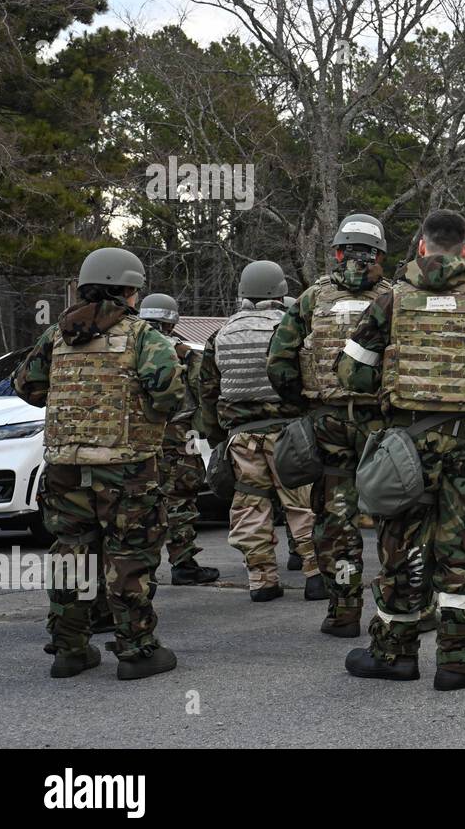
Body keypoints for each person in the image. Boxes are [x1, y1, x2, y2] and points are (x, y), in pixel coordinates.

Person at [336, 209, 465, 688]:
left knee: (400, 547)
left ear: (422, 247)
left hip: (405, 450)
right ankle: (459, 661)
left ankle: (394, 655)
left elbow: (351, 374)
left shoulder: (390, 301)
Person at [13, 248, 181, 679]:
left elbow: (27, 387)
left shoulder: (57, 335)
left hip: (65, 468)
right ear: (126, 289)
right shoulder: (144, 335)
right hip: (126, 468)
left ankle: (69, 650)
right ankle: (137, 651)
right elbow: (169, 393)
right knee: (129, 556)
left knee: (71, 555)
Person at [267, 214, 393, 637]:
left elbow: (280, 363)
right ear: (380, 256)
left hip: (329, 423)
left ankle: (343, 612)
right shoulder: (396, 299)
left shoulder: (310, 299)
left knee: (337, 520)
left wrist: (305, 406)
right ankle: (401, 610)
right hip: (384, 427)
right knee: (398, 515)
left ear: (338, 253)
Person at [197, 261, 322, 602]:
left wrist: (217, 438)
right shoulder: (289, 327)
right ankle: (316, 575)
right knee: (302, 505)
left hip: (241, 437)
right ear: (280, 291)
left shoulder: (220, 335)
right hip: (289, 435)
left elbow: (208, 391)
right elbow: (309, 378)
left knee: (250, 508)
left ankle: (261, 580)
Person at [136, 293, 220, 585]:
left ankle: (140, 568)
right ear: (171, 321)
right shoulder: (180, 351)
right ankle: (183, 562)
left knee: (138, 501)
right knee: (180, 497)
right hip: (178, 433)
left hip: (136, 435)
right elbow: (202, 390)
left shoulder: (128, 344)